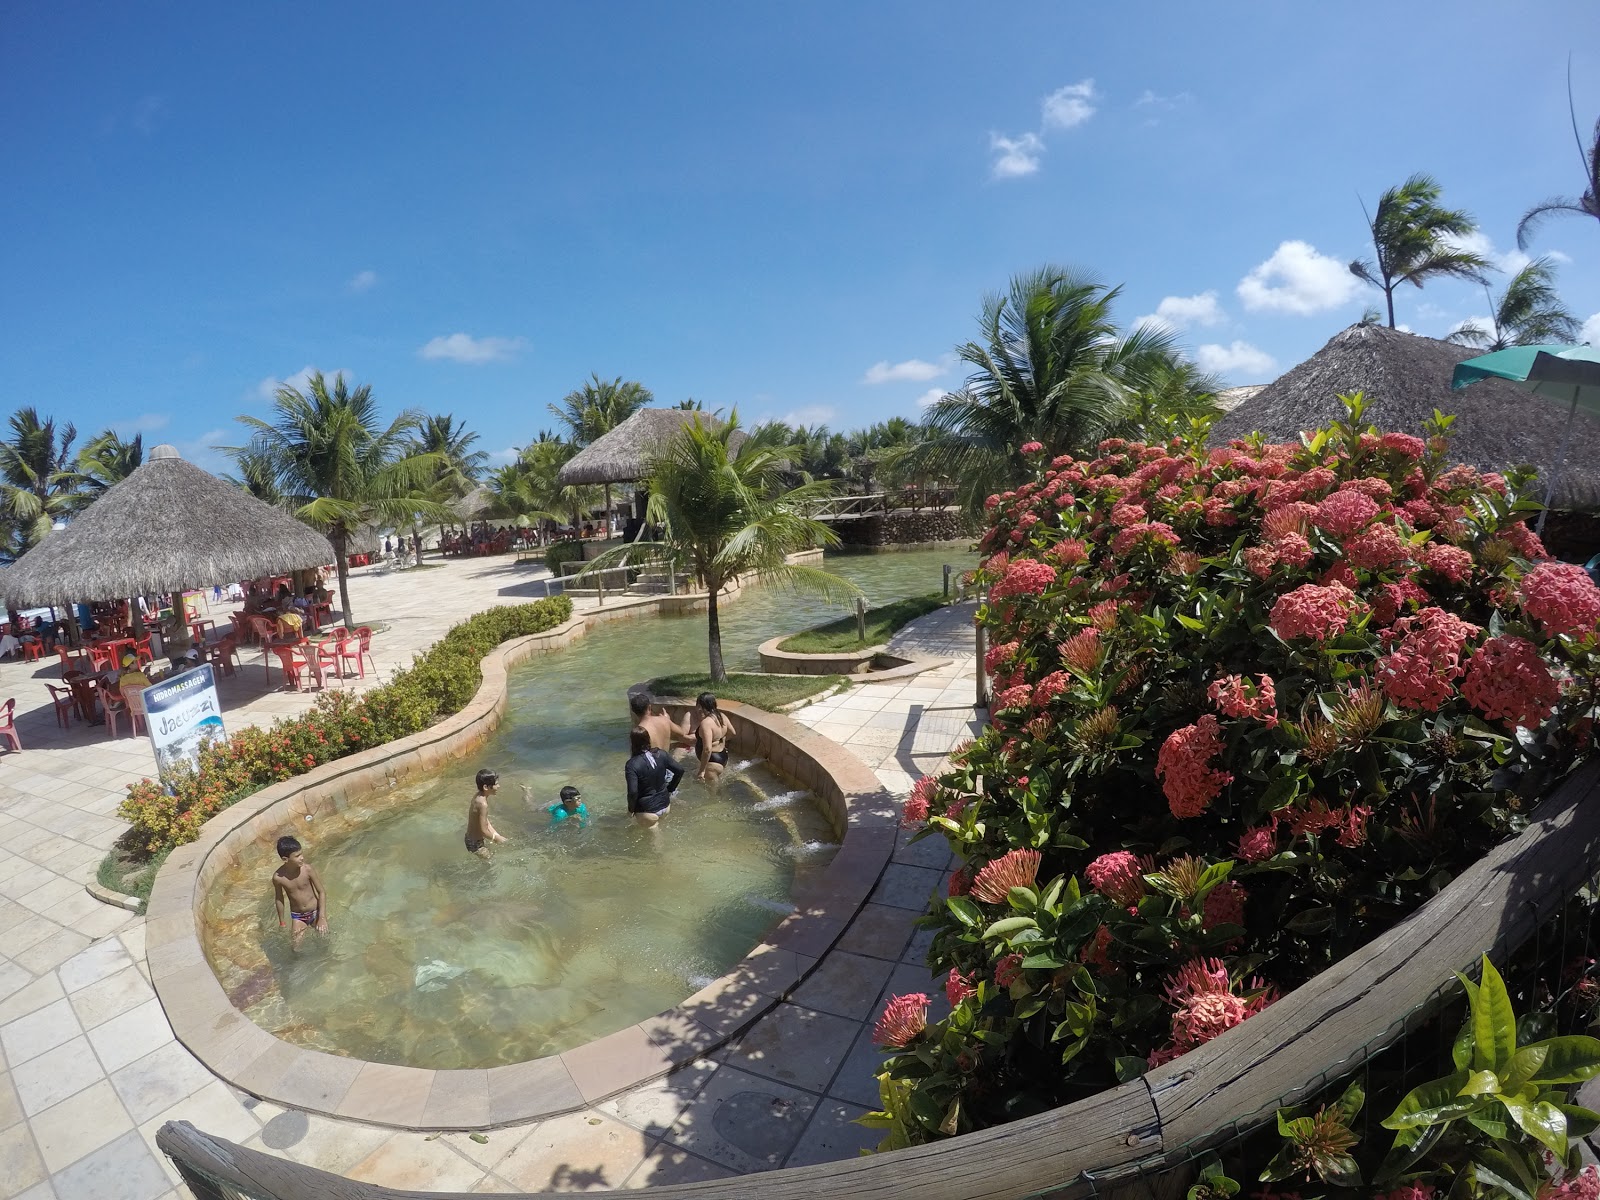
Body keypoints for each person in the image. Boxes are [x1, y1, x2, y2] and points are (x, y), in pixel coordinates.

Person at [272, 835, 328, 947]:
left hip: (315, 912)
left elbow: (321, 892)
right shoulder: (278, 878)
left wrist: (322, 917)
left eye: (301, 854)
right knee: (295, 947)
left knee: (325, 941)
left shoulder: (307, 870)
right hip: (298, 917)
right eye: (297, 856)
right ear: (285, 859)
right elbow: (279, 899)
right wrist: (282, 922)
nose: (302, 858)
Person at [625, 729, 684, 828]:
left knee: (654, 836)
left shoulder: (632, 765)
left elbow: (633, 792)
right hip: (665, 805)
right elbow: (680, 770)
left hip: (647, 811)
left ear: (632, 742)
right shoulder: (661, 754)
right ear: (648, 739)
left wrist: (630, 810)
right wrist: (670, 789)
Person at [693, 692, 736, 784]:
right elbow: (733, 733)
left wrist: (702, 770)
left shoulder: (706, 723)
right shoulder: (722, 716)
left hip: (712, 763)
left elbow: (707, 749)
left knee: (712, 792)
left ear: (701, 706)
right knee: (719, 788)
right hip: (722, 756)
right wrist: (722, 742)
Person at [466, 768, 508, 859]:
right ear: (486, 787)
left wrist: (496, 834)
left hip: (471, 839)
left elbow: (484, 821)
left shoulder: (478, 796)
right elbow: (483, 831)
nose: (499, 786)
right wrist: (496, 839)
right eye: (496, 784)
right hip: (475, 844)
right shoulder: (483, 804)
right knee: (491, 862)